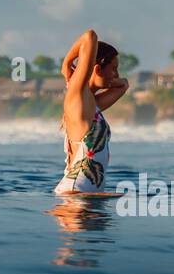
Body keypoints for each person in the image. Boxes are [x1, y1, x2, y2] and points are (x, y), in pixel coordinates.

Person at [53, 29, 128, 194]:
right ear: (97, 68)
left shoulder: (91, 105)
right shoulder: (78, 95)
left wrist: (112, 78)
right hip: (76, 193)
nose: (116, 75)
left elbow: (124, 86)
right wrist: (66, 64)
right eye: (113, 68)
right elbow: (90, 36)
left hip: (84, 194)